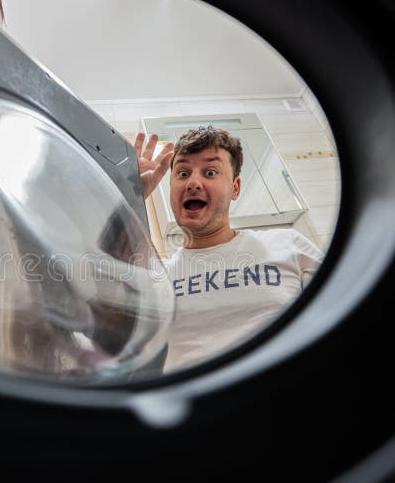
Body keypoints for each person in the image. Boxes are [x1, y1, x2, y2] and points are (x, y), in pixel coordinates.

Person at [135, 126, 324, 372]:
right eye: (182, 173)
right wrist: (128, 197)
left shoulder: (287, 244)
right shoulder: (157, 278)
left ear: (235, 188)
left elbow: (338, 312)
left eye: (210, 172)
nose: (193, 182)